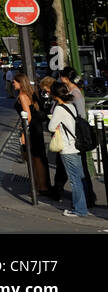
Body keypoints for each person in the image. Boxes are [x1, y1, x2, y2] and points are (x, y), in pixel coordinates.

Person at [51, 70, 96, 208]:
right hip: (73, 140)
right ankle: (83, 202)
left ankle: (84, 203)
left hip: (73, 141)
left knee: (77, 177)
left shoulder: (74, 95)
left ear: (65, 78)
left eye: (60, 77)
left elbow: (79, 117)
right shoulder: (70, 96)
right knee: (77, 175)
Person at [13, 72, 53, 199]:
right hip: (37, 128)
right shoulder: (31, 93)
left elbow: (27, 116)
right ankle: (42, 186)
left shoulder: (23, 96)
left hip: (31, 130)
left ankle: (38, 187)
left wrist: (24, 134)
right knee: (38, 158)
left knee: (33, 159)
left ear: (20, 82)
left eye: (14, 82)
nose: (13, 84)